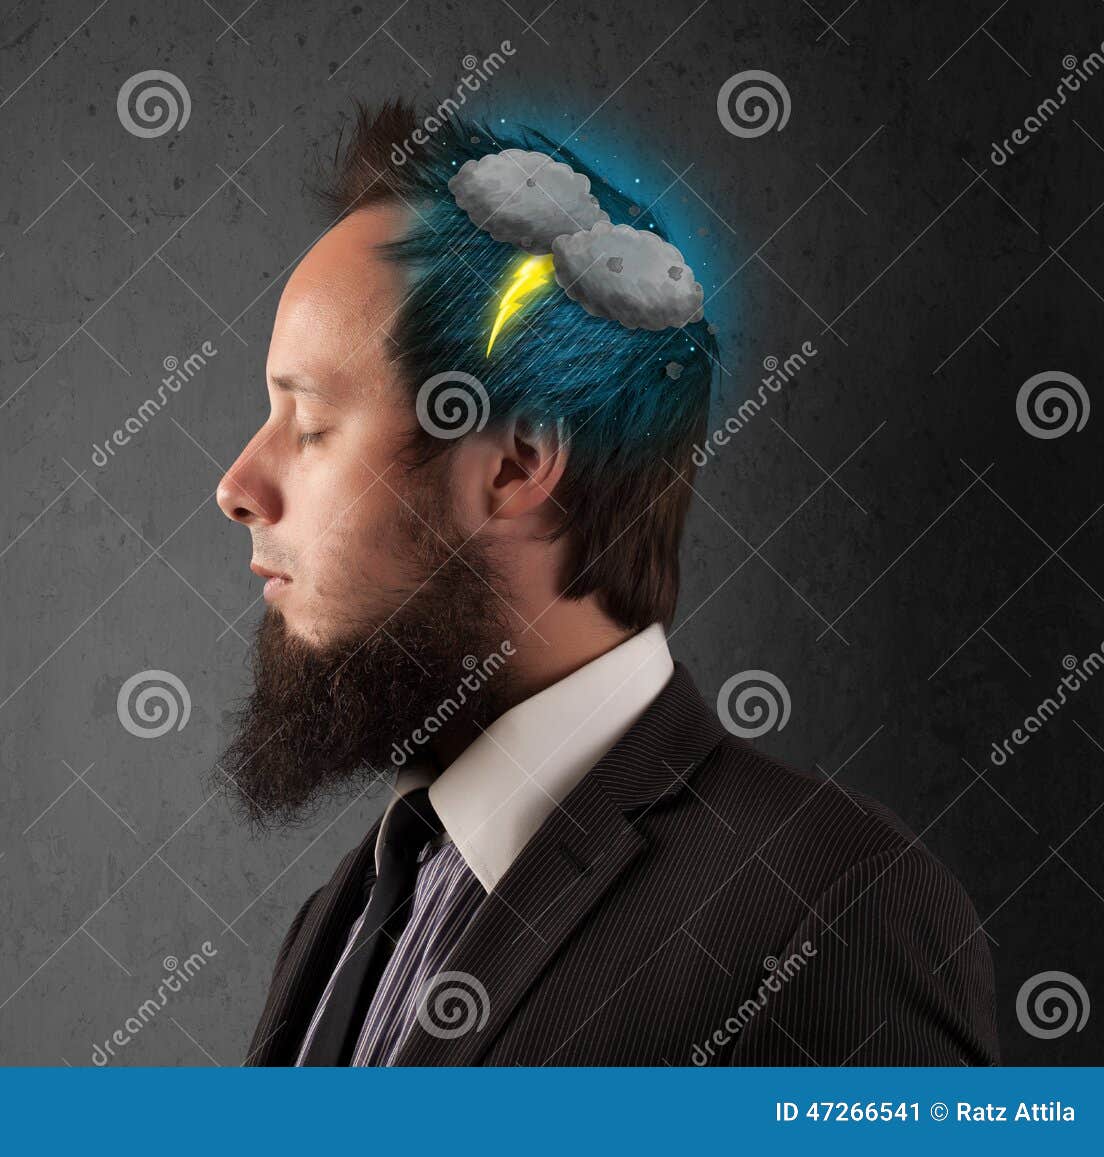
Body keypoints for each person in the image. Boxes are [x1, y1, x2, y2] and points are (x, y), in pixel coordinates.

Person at [212, 100, 998, 1066]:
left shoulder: (829, 912)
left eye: (311, 423)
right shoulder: (355, 904)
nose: (238, 486)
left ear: (517, 461)